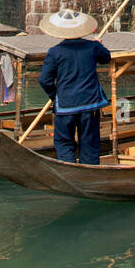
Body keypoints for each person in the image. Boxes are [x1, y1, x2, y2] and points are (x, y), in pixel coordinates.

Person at [37, 10, 111, 164]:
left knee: (64, 144)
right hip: (89, 104)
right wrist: (98, 44)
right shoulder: (93, 47)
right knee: (90, 144)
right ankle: (89, 173)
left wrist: (55, 96)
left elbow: (44, 80)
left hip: (66, 105)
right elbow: (106, 57)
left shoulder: (54, 52)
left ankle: (70, 172)